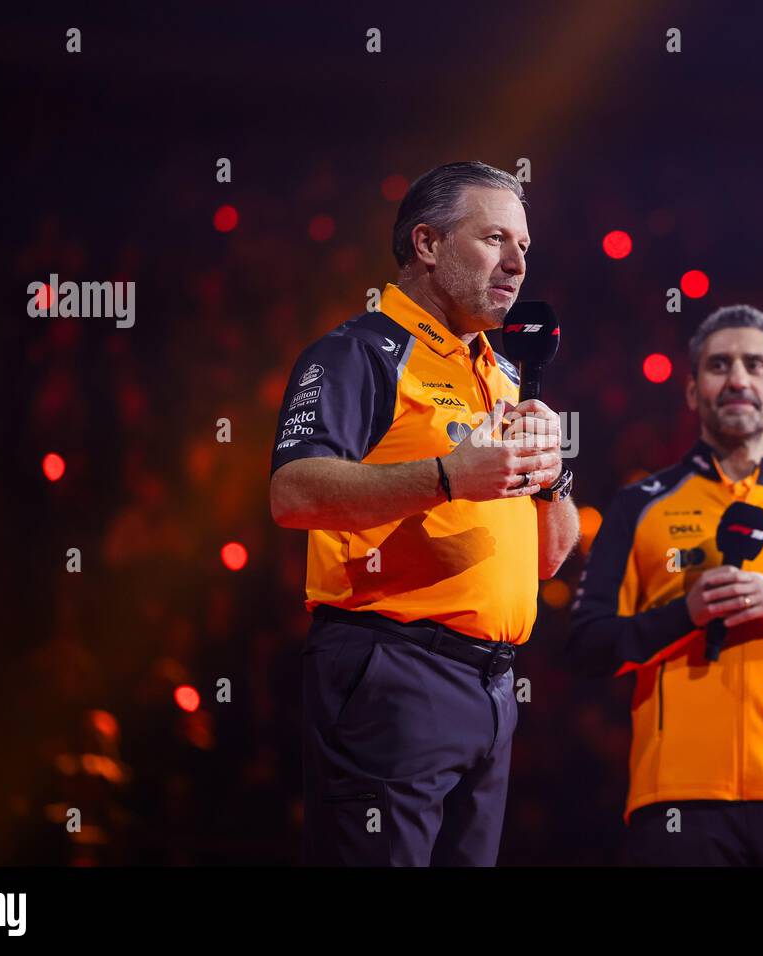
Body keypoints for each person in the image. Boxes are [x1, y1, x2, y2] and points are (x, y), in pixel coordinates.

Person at [270, 161, 579, 866]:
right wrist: (450, 477)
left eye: (524, 248)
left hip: (493, 685)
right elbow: (293, 493)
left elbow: (550, 557)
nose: (516, 263)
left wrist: (555, 477)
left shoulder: (505, 377)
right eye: (494, 238)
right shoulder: (359, 353)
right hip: (394, 671)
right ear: (428, 244)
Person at [567, 304, 763, 866]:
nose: (738, 378)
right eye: (719, 365)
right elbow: (587, 648)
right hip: (675, 803)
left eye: (754, 365)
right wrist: (684, 614)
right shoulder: (638, 507)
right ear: (693, 392)